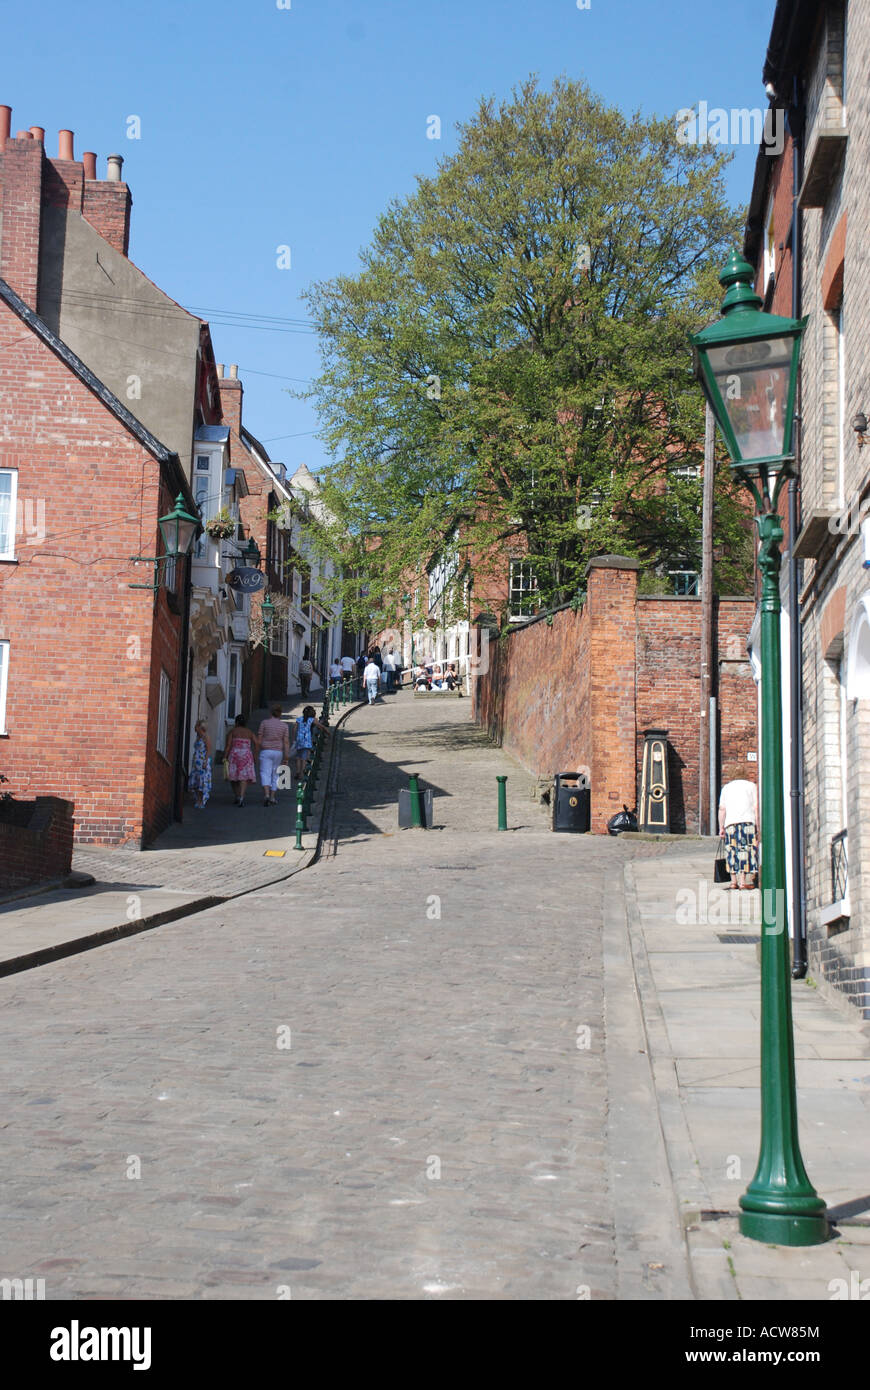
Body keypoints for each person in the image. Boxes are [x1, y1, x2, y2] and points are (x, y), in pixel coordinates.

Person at [718, 774, 759, 890]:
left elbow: (722, 809)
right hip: (747, 822)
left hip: (731, 823)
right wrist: (757, 825)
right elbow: (756, 807)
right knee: (745, 851)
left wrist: (721, 827)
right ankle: (742, 882)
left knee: (732, 851)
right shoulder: (751, 786)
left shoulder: (726, 788)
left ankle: (733, 882)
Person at [257, 705, 290, 806]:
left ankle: (266, 794)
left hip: (266, 751)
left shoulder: (264, 723)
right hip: (278, 752)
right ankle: (272, 797)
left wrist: (256, 751)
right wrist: (286, 756)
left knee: (265, 773)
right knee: (275, 774)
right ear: (280, 714)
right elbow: (286, 742)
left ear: (270, 713)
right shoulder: (284, 726)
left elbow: (259, 739)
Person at [225, 713, 259, 807]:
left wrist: (225, 756)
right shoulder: (249, 732)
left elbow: (228, 746)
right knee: (243, 777)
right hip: (246, 755)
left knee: (233, 777)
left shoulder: (233, 731)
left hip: (235, 755)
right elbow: (256, 743)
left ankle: (237, 796)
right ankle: (242, 797)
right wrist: (255, 756)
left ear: (236, 722)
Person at [294, 704, 329, 781]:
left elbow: (294, 728)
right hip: (307, 740)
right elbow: (321, 726)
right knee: (304, 758)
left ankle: (297, 772)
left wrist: (295, 737)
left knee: (298, 757)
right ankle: (302, 774)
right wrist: (327, 732)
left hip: (299, 740)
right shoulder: (312, 720)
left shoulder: (299, 719)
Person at [189, 720, 212, 808]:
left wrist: (205, 761)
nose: (194, 727)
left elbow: (209, 749)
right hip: (196, 762)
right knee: (197, 782)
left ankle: (202, 801)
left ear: (199, 727)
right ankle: (197, 800)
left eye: (196, 726)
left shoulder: (205, 737)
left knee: (202, 782)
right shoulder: (198, 736)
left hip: (202, 762)